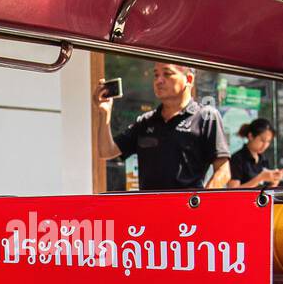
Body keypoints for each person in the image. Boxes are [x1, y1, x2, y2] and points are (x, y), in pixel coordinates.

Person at [94, 64, 231, 190]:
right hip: (149, 211)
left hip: (187, 213)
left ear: (189, 79)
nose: (159, 81)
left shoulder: (206, 117)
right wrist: (104, 113)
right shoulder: (146, 121)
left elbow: (223, 171)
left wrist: (200, 205)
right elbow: (106, 151)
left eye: (167, 74)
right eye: (156, 75)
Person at [226, 119, 283, 188]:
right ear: (251, 136)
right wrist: (260, 178)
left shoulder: (264, 159)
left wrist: (274, 180)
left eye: (268, 141)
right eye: (262, 140)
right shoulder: (237, 159)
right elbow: (233, 191)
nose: (265, 145)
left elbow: (267, 191)